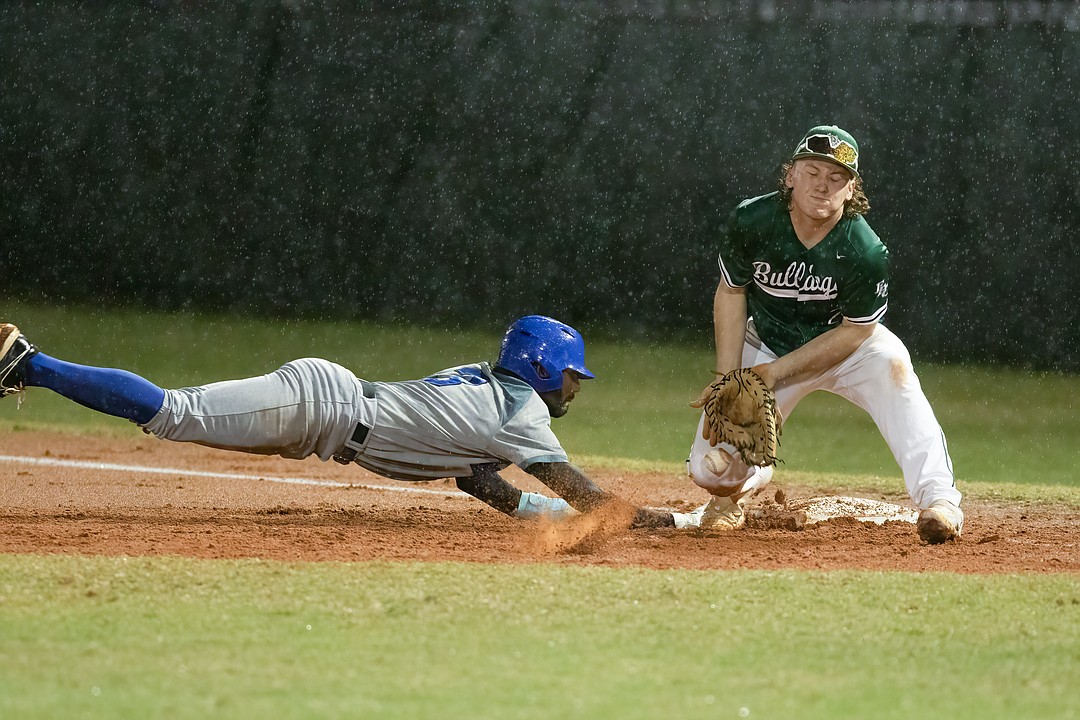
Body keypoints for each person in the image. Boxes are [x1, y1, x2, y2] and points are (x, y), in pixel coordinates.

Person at [0, 315, 685, 529]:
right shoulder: (519, 410)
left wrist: (548, 516)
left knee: (176, 412)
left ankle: (25, 364)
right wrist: (662, 522)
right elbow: (579, 491)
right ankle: (27, 362)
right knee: (174, 413)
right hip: (320, 408)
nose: (575, 386)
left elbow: (481, 483)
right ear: (540, 367)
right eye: (570, 373)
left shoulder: (483, 389)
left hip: (324, 413)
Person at [686, 125, 963, 544]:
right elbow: (731, 290)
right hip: (768, 341)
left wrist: (775, 374)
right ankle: (731, 496)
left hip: (848, 347)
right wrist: (729, 379)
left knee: (895, 370)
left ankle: (941, 501)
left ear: (851, 190)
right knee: (708, 471)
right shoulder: (752, 220)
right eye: (813, 171)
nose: (823, 185)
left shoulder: (865, 250)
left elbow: (855, 332)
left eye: (837, 178)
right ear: (790, 175)